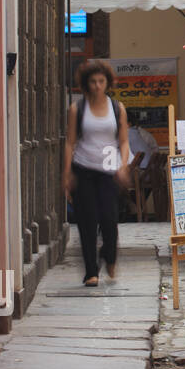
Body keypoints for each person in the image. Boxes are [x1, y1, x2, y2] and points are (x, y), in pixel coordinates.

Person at [64, 60, 131, 287]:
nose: (97, 86)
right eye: (93, 82)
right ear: (86, 84)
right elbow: (70, 142)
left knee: (110, 220)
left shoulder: (117, 108)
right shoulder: (77, 109)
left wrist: (123, 166)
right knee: (87, 222)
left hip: (109, 172)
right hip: (84, 169)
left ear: (108, 83)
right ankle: (91, 271)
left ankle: (109, 255)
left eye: (101, 81)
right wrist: (66, 173)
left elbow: (123, 141)